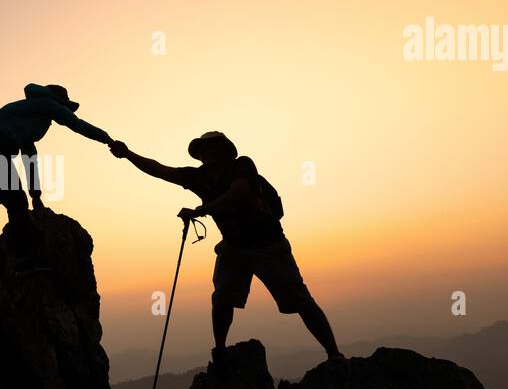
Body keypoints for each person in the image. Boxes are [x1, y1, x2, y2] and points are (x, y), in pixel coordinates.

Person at [109, 131, 343, 365]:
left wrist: (202, 210)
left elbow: (238, 193)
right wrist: (128, 154)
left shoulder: (242, 165)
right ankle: (220, 351)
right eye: (203, 150)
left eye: (211, 148)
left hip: (268, 246)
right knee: (222, 298)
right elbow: (160, 170)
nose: (206, 153)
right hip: (235, 247)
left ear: (224, 150)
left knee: (300, 300)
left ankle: (333, 353)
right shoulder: (198, 177)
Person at [0, 84, 111, 231]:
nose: (65, 112)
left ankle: (23, 252)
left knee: (12, 198)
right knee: (11, 194)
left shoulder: (30, 119)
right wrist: (108, 140)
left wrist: (35, 195)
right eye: (65, 108)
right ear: (60, 103)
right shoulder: (47, 104)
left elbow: (29, 157)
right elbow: (76, 124)